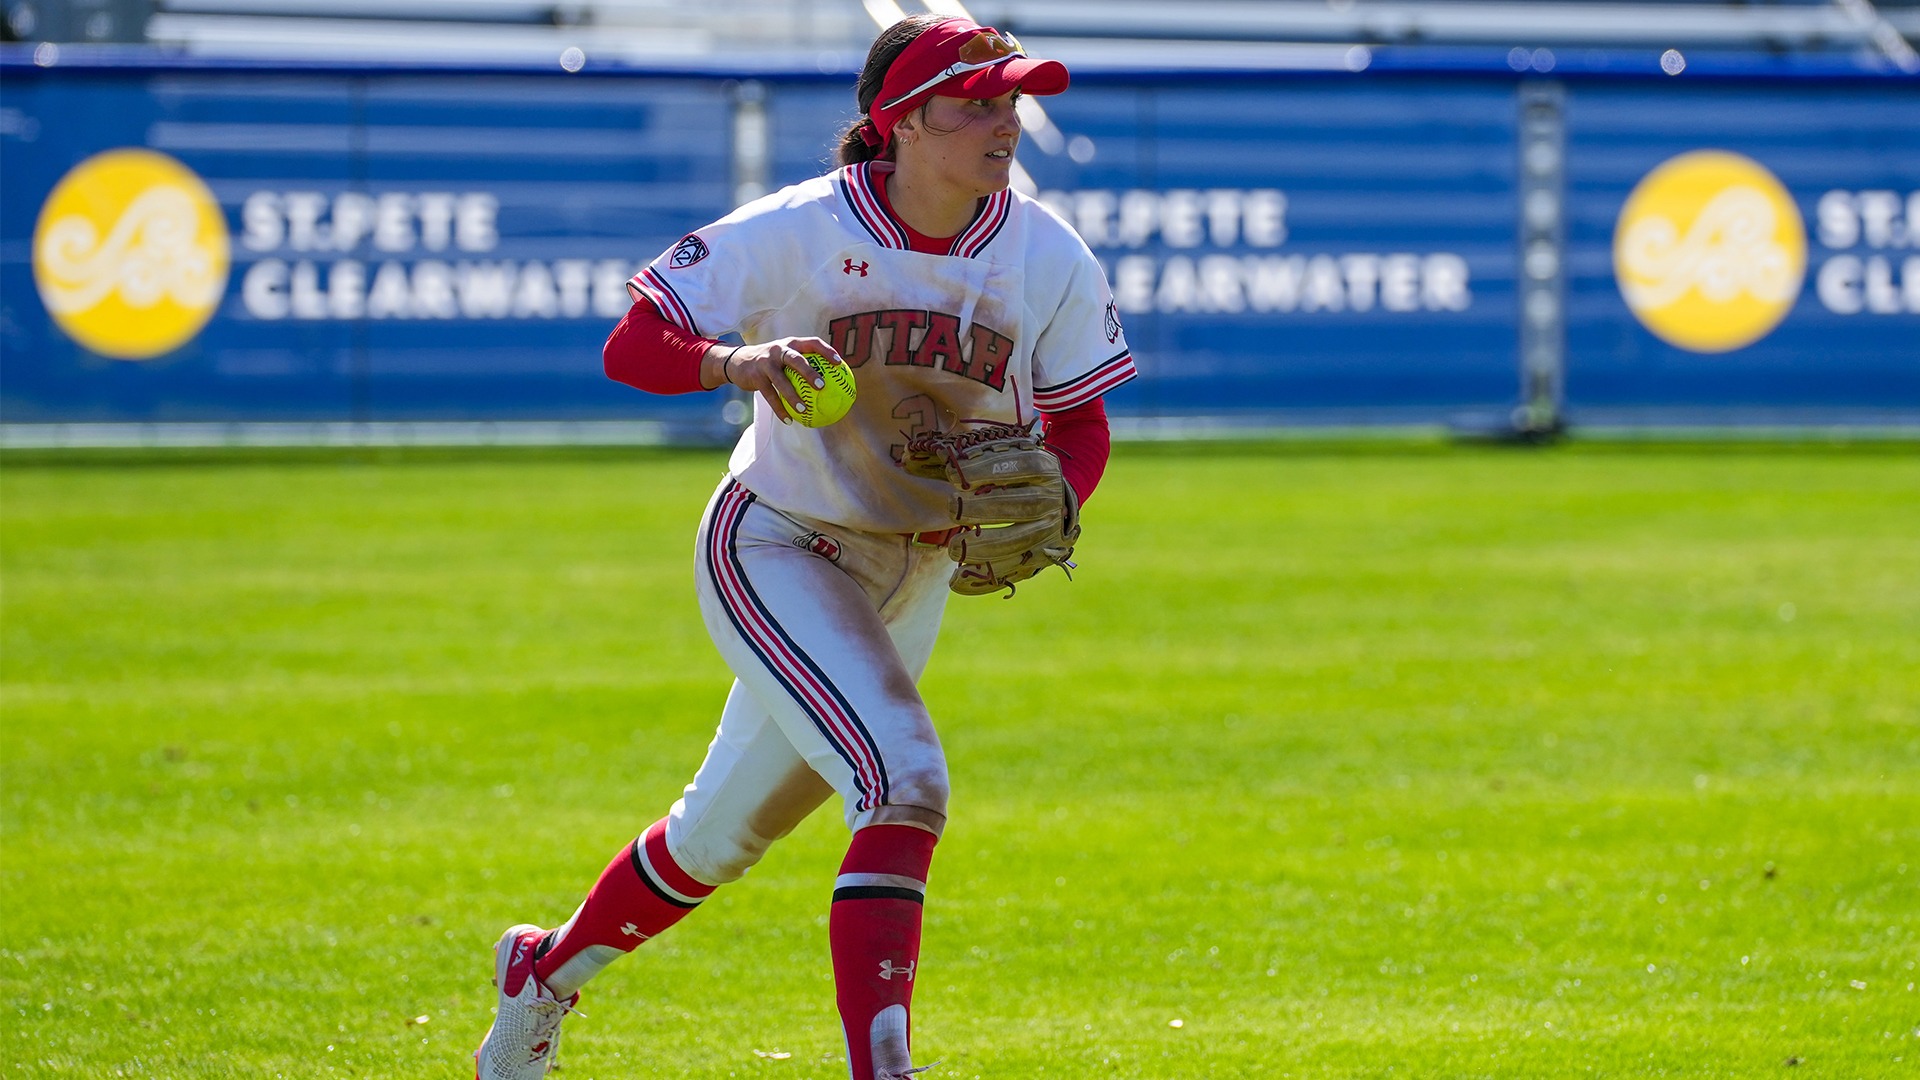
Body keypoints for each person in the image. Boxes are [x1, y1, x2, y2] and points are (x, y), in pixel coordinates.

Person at [473, 14, 1135, 1080]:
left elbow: (1079, 423)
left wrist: (1063, 495)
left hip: (912, 573)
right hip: (780, 543)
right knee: (905, 783)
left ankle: (541, 975)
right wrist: (733, 362)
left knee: (715, 839)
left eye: (1011, 99)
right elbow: (632, 346)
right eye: (975, 102)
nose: (1005, 121)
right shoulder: (801, 226)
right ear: (904, 121)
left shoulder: (1044, 252)